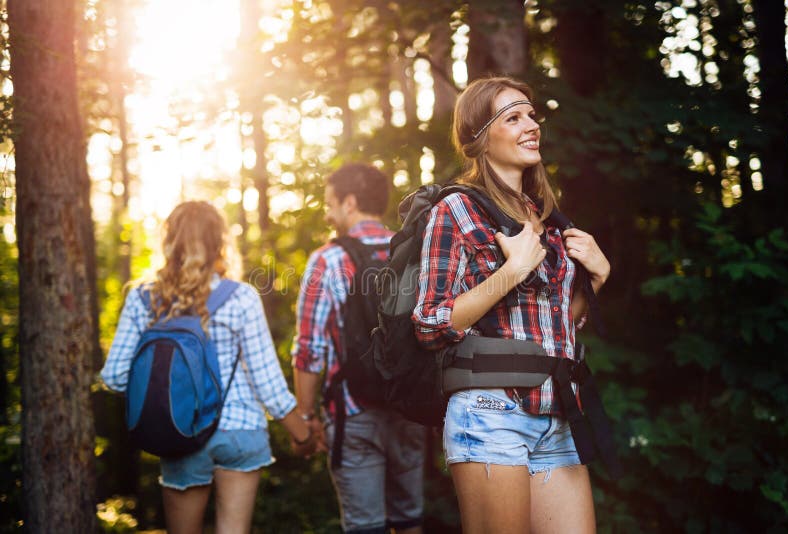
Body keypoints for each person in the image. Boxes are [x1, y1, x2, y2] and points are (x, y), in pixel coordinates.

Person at [412, 76, 611, 533]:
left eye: (532, 114)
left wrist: (598, 279)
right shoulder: (456, 210)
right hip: (491, 413)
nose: (531, 124)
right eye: (513, 117)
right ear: (480, 138)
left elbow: (559, 326)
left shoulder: (548, 218)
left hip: (558, 413)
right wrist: (510, 272)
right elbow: (428, 323)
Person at [101, 201, 315, 534]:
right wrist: (303, 433)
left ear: (169, 242)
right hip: (240, 430)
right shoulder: (241, 298)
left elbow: (114, 377)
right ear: (220, 242)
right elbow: (268, 384)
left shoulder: (143, 299)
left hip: (179, 430)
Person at [291, 163, 426, 534]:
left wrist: (306, 416)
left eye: (330, 203)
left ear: (349, 203)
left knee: (365, 527)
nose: (327, 212)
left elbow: (308, 350)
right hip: (410, 407)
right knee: (410, 520)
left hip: (353, 412)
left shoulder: (329, 260)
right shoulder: (413, 251)